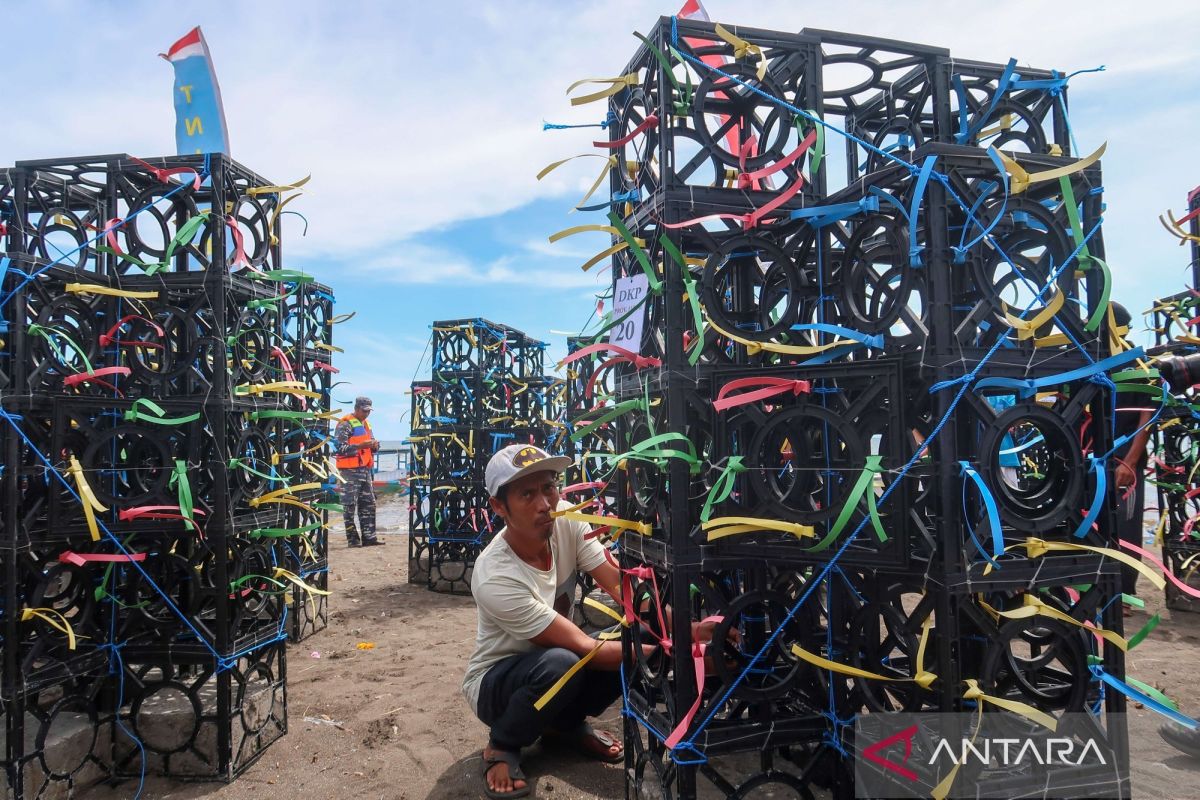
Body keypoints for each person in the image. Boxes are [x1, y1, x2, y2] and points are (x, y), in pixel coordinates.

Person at [463, 444, 728, 799]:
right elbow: (583, 647)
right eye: (527, 494)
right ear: (499, 507)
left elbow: (626, 591)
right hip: (497, 684)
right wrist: (682, 655)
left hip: (556, 660)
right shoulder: (494, 574)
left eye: (549, 487)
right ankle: (502, 744)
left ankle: (564, 725)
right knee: (567, 662)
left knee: (622, 636)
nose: (545, 504)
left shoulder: (567, 520)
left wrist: (691, 631)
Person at [1109, 303, 1152, 609]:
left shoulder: (1135, 361)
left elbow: (1146, 416)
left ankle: (1124, 593)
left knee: (1125, 526)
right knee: (1095, 525)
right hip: (1097, 459)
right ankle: (1098, 589)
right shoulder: (1094, 360)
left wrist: (1131, 461)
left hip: (1125, 461)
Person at [334, 396, 383, 547]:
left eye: (369, 411)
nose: (367, 414)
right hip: (349, 471)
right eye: (364, 411)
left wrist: (374, 446)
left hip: (364, 470)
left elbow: (371, 444)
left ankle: (369, 538)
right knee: (349, 506)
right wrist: (361, 446)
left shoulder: (366, 424)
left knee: (369, 504)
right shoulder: (345, 424)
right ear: (356, 409)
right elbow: (340, 448)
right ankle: (353, 540)